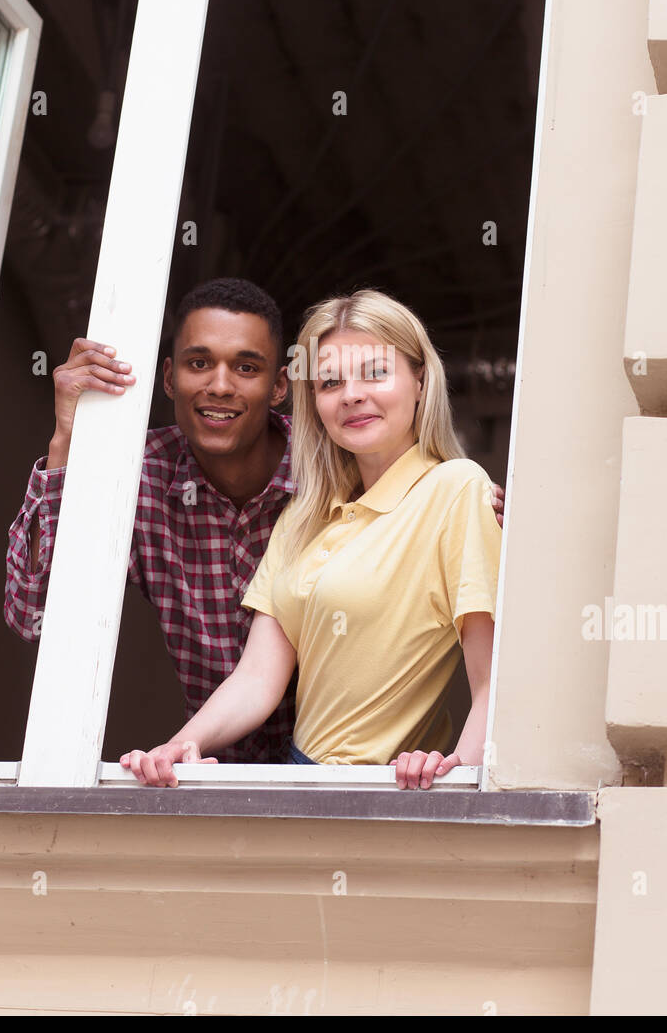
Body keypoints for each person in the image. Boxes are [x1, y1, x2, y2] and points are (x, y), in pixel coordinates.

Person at [120, 288, 504, 790]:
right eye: (330, 381)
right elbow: (258, 677)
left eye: (374, 372)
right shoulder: (305, 513)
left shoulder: (458, 490)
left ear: (420, 381)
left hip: (389, 792)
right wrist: (182, 744)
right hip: (299, 780)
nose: (351, 395)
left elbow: (494, 682)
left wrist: (459, 778)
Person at [3, 278, 299, 763]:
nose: (219, 386)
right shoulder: (137, 477)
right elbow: (31, 617)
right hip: (207, 770)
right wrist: (67, 444)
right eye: (198, 363)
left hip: (337, 771)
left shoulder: (329, 476)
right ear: (168, 377)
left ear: (279, 386)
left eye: (246, 367)